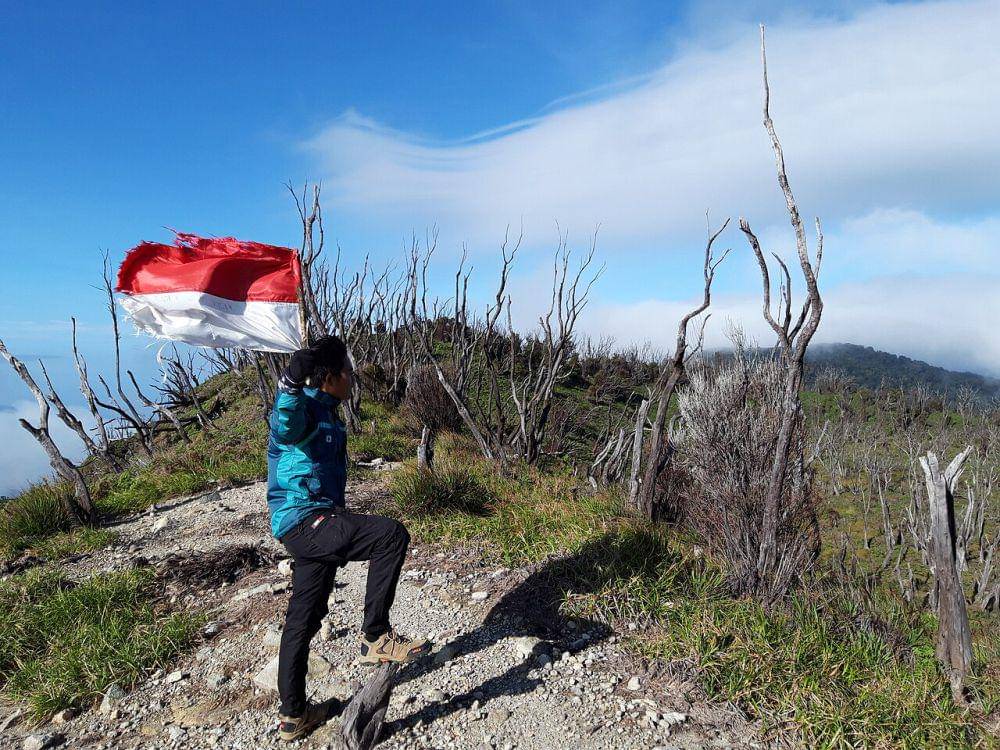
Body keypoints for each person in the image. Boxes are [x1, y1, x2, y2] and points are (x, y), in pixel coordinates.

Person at [266, 335, 429, 741]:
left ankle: (293, 715)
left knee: (304, 619)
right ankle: (375, 636)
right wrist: (290, 382)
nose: (353, 379)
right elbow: (284, 426)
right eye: (348, 372)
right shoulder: (303, 407)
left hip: (313, 523)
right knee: (390, 535)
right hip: (305, 519)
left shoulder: (327, 411)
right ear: (330, 377)